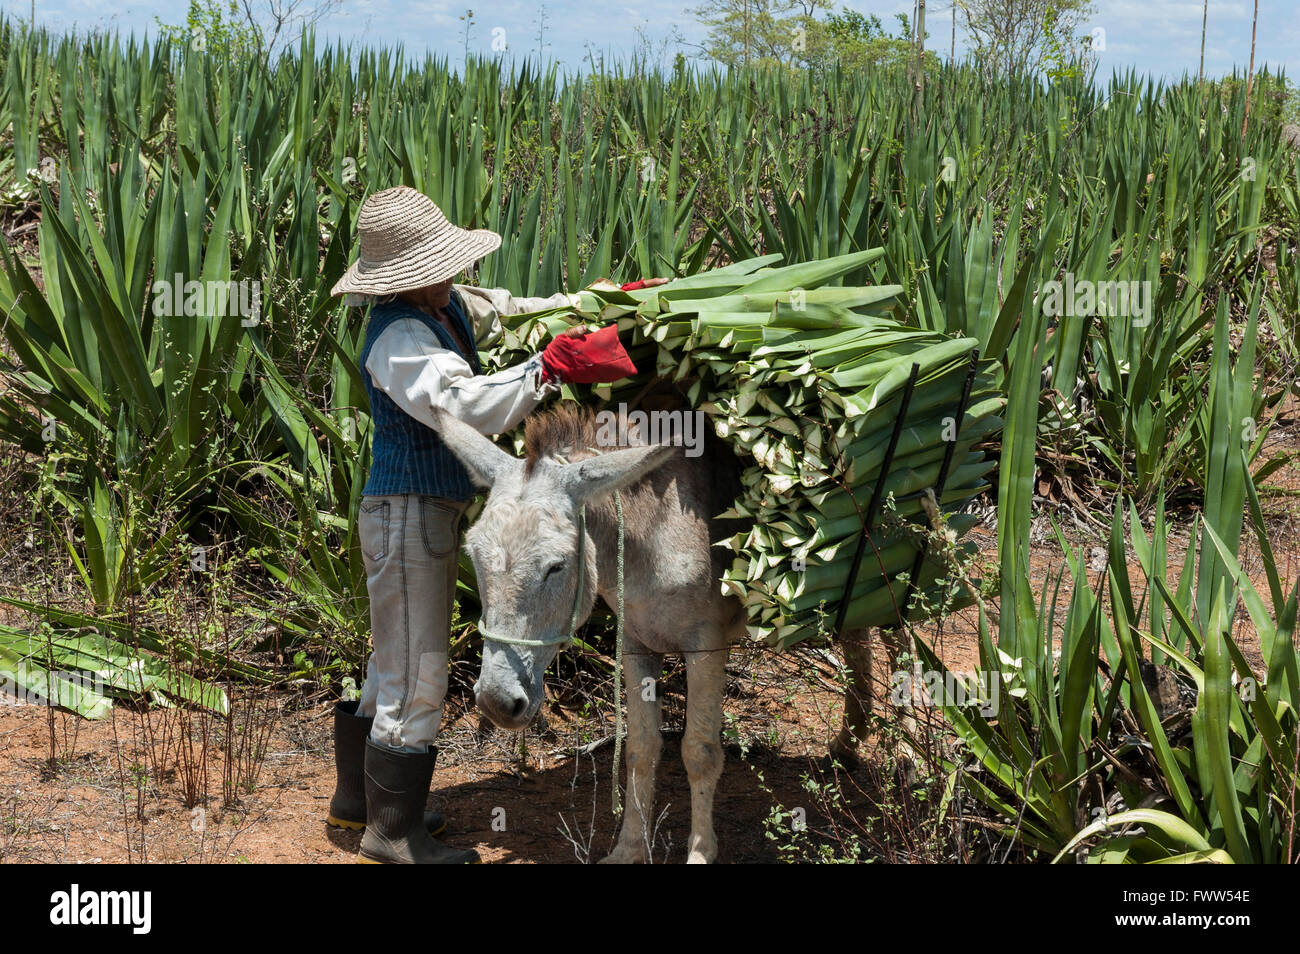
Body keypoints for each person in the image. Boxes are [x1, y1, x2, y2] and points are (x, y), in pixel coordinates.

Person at [326, 185, 648, 864]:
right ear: (407, 277)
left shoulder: (443, 308)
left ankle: (361, 800)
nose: (451, 277)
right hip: (407, 513)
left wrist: (603, 304)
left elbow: (509, 309)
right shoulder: (400, 337)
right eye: (436, 267)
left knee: (392, 655)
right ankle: (393, 833)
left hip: (419, 513)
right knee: (417, 665)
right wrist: (550, 367)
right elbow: (466, 403)